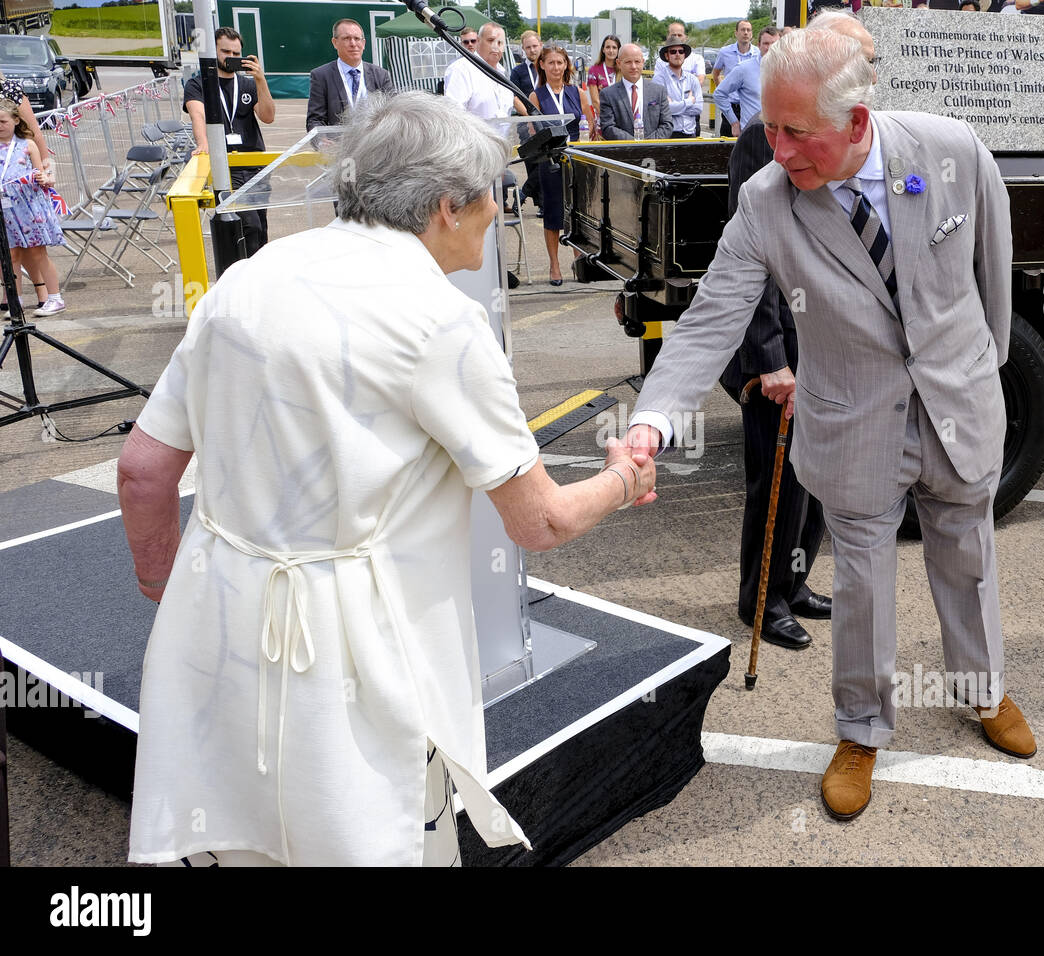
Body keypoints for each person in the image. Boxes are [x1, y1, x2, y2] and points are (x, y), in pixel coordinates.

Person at [118, 90, 656, 867]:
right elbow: (540, 521)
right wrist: (622, 481)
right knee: (366, 829)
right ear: (446, 207)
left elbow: (142, 471)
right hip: (356, 643)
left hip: (219, 617)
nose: (493, 216)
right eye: (489, 200)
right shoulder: (439, 321)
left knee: (237, 835)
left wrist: (176, 588)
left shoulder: (248, 278)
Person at [624, 28, 1033, 823]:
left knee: (970, 557)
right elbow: (710, 320)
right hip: (853, 426)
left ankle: (983, 692)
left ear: (856, 121)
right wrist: (652, 424)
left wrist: (982, 371)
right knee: (860, 588)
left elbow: (994, 276)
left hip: (961, 408)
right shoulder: (767, 202)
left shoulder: (954, 151)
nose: (778, 152)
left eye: (795, 132)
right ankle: (859, 729)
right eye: (769, 128)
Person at [719, 11, 876, 652]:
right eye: (861, 61)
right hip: (776, 349)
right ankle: (761, 601)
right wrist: (769, 358)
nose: (870, 76)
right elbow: (747, 265)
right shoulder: (771, 138)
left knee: (814, 480)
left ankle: (795, 580)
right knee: (777, 483)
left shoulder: (851, 134)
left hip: (824, 347)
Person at [184, 26, 275, 256]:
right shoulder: (198, 85)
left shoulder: (248, 84)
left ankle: (254, 273)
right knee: (249, 224)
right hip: (225, 166)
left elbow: (268, 116)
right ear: (212, 52)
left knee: (261, 226)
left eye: (236, 54)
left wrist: (260, 80)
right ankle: (241, 273)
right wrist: (203, 143)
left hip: (255, 165)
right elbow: (198, 114)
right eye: (226, 52)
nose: (232, 58)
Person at [528, 44, 590, 285]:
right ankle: (554, 265)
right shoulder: (537, 95)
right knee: (554, 214)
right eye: (551, 63)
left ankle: (579, 260)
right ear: (542, 65)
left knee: (577, 212)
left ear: (567, 66)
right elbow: (534, 129)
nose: (556, 67)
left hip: (575, 160)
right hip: (551, 161)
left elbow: (588, 124)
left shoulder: (577, 92)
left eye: (560, 62)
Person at [0, 98, 65, 315]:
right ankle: (15, 301)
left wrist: (45, 179)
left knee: (38, 253)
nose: (0, 126)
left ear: (16, 120)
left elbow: (43, 174)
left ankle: (55, 298)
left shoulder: (27, 145)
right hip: (5, 211)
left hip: (29, 209)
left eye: (3, 121)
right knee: (11, 256)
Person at [306, 18, 394, 131]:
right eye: (346, 38)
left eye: (357, 38)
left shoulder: (381, 75)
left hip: (373, 143)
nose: (353, 44)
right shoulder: (321, 76)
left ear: (363, 43)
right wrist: (322, 141)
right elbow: (315, 120)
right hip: (338, 145)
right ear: (335, 42)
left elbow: (393, 115)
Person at [442, 21, 521, 136]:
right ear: (478, 41)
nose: (495, 46)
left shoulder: (503, 74)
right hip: (473, 148)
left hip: (500, 148)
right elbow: (454, 116)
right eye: (490, 41)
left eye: (500, 43)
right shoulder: (461, 69)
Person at [712, 25, 779, 137]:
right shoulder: (744, 69)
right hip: (752, 134)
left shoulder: (787, 70)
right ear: (758, 45)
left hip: (778, 135)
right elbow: (719, 94)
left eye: (774, 44)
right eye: (766, 43)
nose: (770, 48)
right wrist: (734, 122)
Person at [599, 44, 672, 141]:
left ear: (643, 62)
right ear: (619, 63)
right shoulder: (608, 94)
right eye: (628, 62)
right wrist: (634, 144)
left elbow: (667, 125)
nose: (633, 66)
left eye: (637, 62)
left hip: (654, 152)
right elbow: (608, 128)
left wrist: (647, 144)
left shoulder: (659, 91)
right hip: (623, 152)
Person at [510, 30, 545, 206]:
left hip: (548, 120)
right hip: (526, 122)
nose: (532, 50)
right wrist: (530, 117)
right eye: (528, 47)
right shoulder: (518, 72)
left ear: (541, 45)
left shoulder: (548, 66)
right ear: (523, 49)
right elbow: (514, 97)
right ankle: (540, 203)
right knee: (532, 162)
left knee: (546, 160)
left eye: (535, 46)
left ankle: (524, 193)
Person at [657, 41, 702, 139]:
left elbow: (698, 108)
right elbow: (664, 109)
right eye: (673, 51)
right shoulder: (659, 78)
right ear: (667, 55)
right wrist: (689, 102)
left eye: (681, 51)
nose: (677, 54)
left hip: (690, 133)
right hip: (669, 134)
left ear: (684, 55)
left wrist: (674, 106)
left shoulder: (693, 79)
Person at [586, 33, 621, 140]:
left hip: (621, 119)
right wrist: (609, 118)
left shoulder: (623, 69)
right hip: (603, 120)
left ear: (619, 50)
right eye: (608, 47)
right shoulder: (594, 70)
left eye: (614, 47)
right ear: (603, 50)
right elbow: (595, 101)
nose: (611, 50)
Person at [711, 20, 758, 85]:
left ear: (751, 34)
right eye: (743, 30)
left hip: (751, 94)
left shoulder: (759, 53)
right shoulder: (724, 52)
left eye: (748, 30)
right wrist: (722, 91)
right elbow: (716, 74)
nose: (746, 33)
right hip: (731, 95)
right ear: (736, 33)